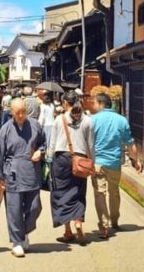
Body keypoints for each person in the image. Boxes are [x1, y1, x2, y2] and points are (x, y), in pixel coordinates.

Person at [0, 98, 46, 258]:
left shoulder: (35, 125)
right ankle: (17, 241)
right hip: (12, 173)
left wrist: (40, 151)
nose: (21, 115)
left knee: (35, 207)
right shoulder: (5, 129)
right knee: (14, 210)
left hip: (31, 171)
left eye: (23, 112)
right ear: (12, 112)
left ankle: (24, 232)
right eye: (18, 113)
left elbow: (43, 143)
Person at [90, 93, 143, 239]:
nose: (93, 105)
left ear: (101, 103)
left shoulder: (93, 120)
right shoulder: (121, 120)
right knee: (114, 192)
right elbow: (130, 142)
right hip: (115, 162)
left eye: (94, 103)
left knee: (100, 193)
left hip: (98, 162)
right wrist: (137, 160)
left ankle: (104, 225)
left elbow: (88, 141)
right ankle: (114, 220)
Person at [47, 91, 94, 244]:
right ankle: (78, 221)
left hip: (61, 158)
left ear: (66, 103)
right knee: (78, 191)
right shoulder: (87, 120)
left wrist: (49, 159)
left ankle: (67, 230)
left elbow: (52, 143)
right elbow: (90, 144)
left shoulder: (59, 119)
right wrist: (92, 162)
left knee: (61, 193)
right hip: (80, 159)